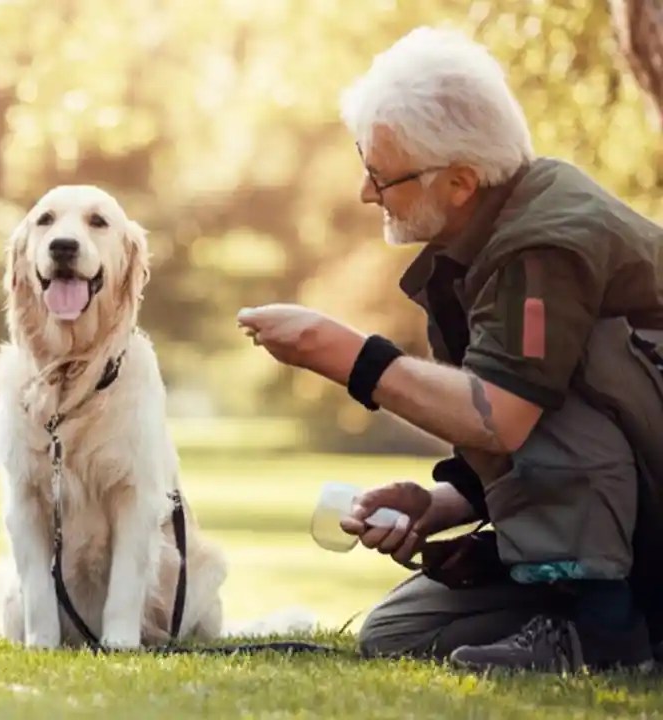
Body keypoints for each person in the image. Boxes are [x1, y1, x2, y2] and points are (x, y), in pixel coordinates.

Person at [237, 26, 663, 673]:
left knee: (565, 366)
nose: (365, 192)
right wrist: (443, 504)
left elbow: (506, 413)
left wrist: (343, 353)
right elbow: (521, 432)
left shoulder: (548, 240)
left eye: (381, 174)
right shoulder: (476, 247)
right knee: (399, 633)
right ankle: (615, 617)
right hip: (628, 492)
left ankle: (602, 635)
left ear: (460, 181)